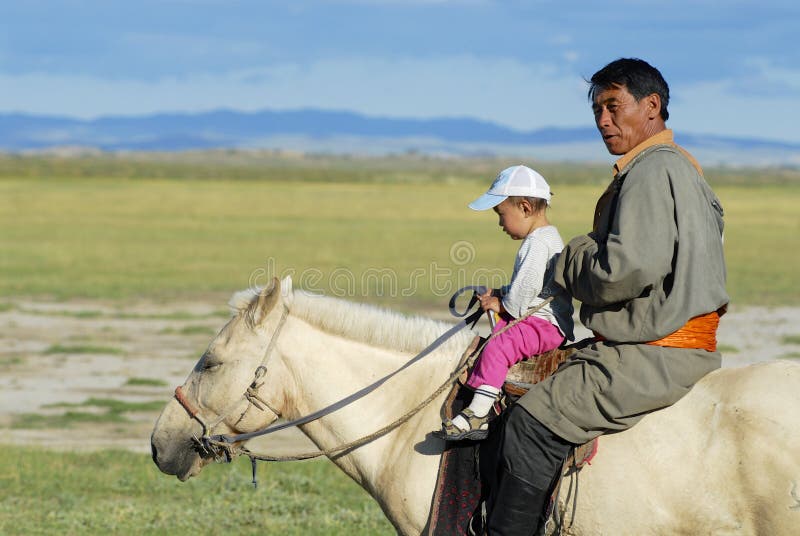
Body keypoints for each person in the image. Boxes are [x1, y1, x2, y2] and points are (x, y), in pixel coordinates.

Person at [480, 58, 729, 535]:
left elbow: (621, 270)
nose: (602, 121)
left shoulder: (651, 172)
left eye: (613, 106)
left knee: (530, 422)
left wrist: (569, 258)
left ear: (651, 107)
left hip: (651, 354)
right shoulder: (685, 169)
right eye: (597, 110)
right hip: (673, 342)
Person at [435, 165, 574, 441]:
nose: (500, 224)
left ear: (524, 207)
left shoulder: (536, 244)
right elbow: (531, 286)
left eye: (501, 215)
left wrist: (501, 304)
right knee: (499, 336)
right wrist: (499, 293)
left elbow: (521, 299)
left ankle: (478, 414)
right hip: (542, 320)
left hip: (543, 325)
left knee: (499, 345)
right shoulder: (546, 238)